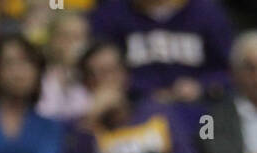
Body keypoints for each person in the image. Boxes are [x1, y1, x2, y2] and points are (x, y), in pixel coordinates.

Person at [61, 40, 199, 153]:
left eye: (110, 71)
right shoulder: (82, 127)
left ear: (124, 74)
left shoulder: (157, 111)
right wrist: (91, 118)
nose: (105, 80)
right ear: (86, 83)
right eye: (94, 74)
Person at [90, 0, 233, 106]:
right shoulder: (111, 14)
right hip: (132, 108)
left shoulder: (206, 12)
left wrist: (201, 86)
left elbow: (229, 70)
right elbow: (98, 69)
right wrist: (142, 90)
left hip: (198, 109)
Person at [35, 8, 90, 121]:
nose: (74, 43)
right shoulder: (36, 73)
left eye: (79, 37)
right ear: (50, 39)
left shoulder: (93, 75)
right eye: (65, 36)